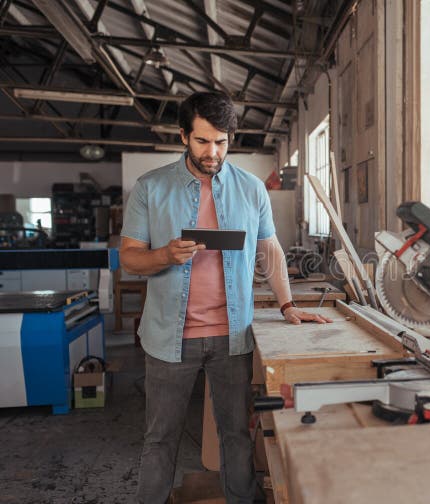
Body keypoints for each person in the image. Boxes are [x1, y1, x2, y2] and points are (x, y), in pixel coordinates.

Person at [120, 91, 330, 504]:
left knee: (236, 433)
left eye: (221, 141)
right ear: (183, 136)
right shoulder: (150, 188)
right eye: (202, 141)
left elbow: (268, 249)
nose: (212, 151)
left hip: (232, 336)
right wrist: (165, 254)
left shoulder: (251, 189)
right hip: (168, 338)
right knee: (160, 438)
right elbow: (129, 258)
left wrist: (287, 305)